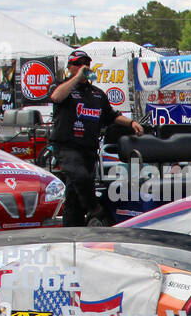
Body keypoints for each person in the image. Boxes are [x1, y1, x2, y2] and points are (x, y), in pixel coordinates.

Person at [49, 49, 143, 226]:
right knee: (81, 177)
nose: (83, 67)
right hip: (68, 146)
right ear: (70, 67)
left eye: (86, 64)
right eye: (78, 64)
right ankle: (95, 209)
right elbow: (56, 97)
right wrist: (76, 78)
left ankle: (72, 233)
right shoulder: (63, 86)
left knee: (74, 195)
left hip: (89, 148)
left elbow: (111, 115)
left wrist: (131, 123)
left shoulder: (98, 94)